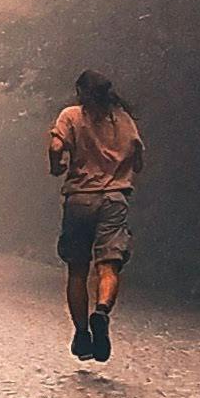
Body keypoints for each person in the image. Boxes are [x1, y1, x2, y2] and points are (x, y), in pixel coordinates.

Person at [49, 68, 143, 362]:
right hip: (114, 199)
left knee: (77, 270)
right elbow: (138, 162)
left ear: (81, 92)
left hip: (79, 200)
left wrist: (57, 165)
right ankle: (101, 312)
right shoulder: (125, 120)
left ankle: (81, 334)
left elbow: (55, 146)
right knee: (108, 265)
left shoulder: (72, 116)